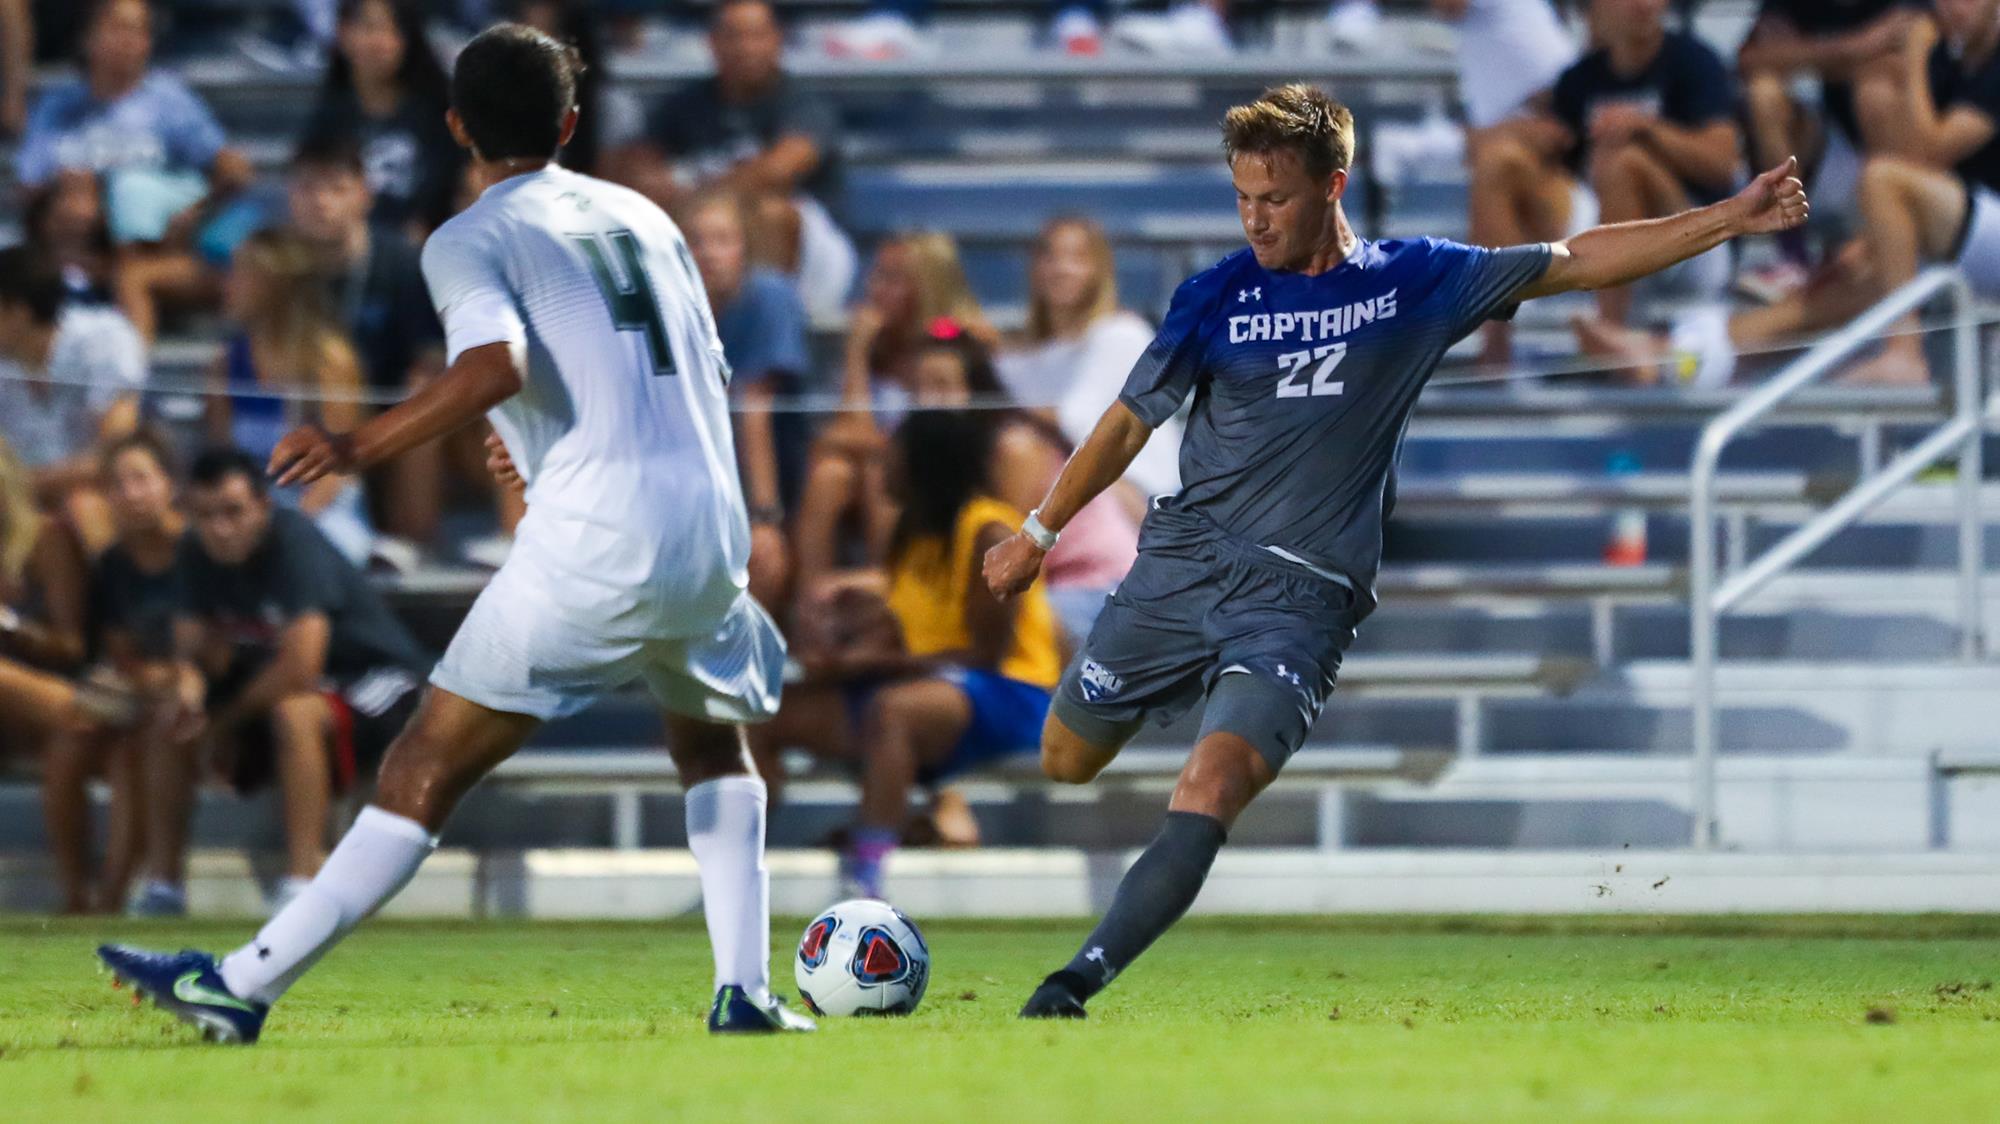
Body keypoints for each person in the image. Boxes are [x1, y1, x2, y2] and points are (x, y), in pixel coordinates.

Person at [982, 83, 1805, 1018]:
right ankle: (1172, 687)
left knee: (1212, 783)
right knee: (1064, 760)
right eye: (1243, 197)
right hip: (1179, 569)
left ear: (1334, 185)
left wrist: (1732, 218)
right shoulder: (1214, 294)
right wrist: (1039, 533)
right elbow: (1131, 421)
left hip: (1297, 602)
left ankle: (1072, 983)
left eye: (1276, 198)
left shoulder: (1411, 281)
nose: (1255, 218)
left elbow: (1578, 260)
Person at [99, 23, 815, 1042]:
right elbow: (675, 370)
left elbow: (494, 368)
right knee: (709, 741)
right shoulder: (645, 214)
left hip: (599, 533)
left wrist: (357, 444)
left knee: (422, 761)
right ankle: (743, 987)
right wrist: (539, 444)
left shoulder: (467, 235)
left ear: (454, 128)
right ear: (571, 123)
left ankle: (239, 984)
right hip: (707, 521)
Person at [1578, 0, 2000, 387]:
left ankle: (1904, 355)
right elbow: (1750, 63)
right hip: (1963, 230)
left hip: (1982, 227)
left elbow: (1931, 152)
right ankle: (1676, 355)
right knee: (1825, 296)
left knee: (1883, 178)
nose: (1949, 6)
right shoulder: (1955, 57)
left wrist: (1911, 60)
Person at [759, 407, 1064, 898]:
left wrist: (874, 666)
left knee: (893, 711)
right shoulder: (913, 536)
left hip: (1013, 693)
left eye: (891, 459)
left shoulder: (991, 531)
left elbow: (985, 654)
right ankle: (744, 854)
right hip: (929, 687)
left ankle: (868, 871)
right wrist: (836, 657)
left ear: (925, 464)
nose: (881, 470)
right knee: (763, 713)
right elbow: (907, 642)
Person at [171, 448, 427, 899]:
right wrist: (189, 696)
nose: (219, 528)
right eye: (205, 515)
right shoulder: (193, 553)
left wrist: (221, 723)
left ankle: (303, 880)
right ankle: (161, 885)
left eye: (233, 512)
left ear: (264, 506)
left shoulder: (294, 543)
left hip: (377, 679)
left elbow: (300, 668)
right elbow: (189, 649)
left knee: (296, 713)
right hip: (281, 691)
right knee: (165, 724)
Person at [619, 0, 855, 321]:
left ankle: (769, 323)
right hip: (712, 228)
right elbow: (638, 169)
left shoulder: (802, 102)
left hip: (812, 250)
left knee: (767, 212)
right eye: (732, 36)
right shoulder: (685, 103)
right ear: (712, 42)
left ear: (778, 39)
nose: (745, 47)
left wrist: (695, 191)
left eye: (755, 35)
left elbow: (779, 170)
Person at [792, 231, 993, 600]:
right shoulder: (874, 348)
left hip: (944, 479)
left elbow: (948, 436)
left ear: (926, 285)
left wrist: (867, 442)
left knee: (877, 468)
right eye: (876, 274)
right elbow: (845, 430)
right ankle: (810, 607)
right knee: (828, 474)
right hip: (883, 467)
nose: (874, 287)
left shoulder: (959, 345)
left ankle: (892, 597)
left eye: (891, 278)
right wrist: (857, 353)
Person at [208, 229, 376, 565]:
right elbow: (223, 461)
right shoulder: (225, 364)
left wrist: (286, 528)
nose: (226, 284)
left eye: (240, 273)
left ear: (273, 286)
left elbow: (341, 467)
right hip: (250, 509)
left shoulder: (328, 360)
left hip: (324, 509)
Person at [85, 431, 200, 918]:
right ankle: (101, 897)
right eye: (118, 483)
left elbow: (210, 652)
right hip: (150, 696)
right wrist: (161, 678)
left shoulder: (201, 550)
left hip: (210, 697)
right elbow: (125, 657)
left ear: (169, 484)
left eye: (141, 479)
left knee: (156, 732)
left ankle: (159, 884)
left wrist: (176, 679)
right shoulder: (112, 564)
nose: (130, 493)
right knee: (93, 744)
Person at [998, 216, 1180, 519]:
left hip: (1134, 497)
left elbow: (1076, 422)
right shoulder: (1023, 357)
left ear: (1100, 269)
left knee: (1019, 451)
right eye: (1051, 256)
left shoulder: (1123, 334)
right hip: (1067, 489)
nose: (1061, 269)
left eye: (1077, 258)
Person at [684, 191, 810, 609]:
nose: (710, 254)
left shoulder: (769, 297)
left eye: (723, 240)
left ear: (744, 247)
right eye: (697, 242)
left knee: (763, 553)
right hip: (693, 479)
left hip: (777, 475)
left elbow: (754, 411)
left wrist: (764, 516)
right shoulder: (670, 308)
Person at [0, 246, 147, 553]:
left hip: (105, 496)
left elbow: (113, 457)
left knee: (82, 507)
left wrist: (18, 486)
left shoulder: (106, 340)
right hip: (26, 504)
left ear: (18, 312)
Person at [298, 0, 460, 237]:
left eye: (391, 30)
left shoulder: (440, 114)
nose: (379, 42)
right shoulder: (328, 118)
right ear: (342, 33)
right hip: (349, 248)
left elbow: (456, 186)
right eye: (368, 28)